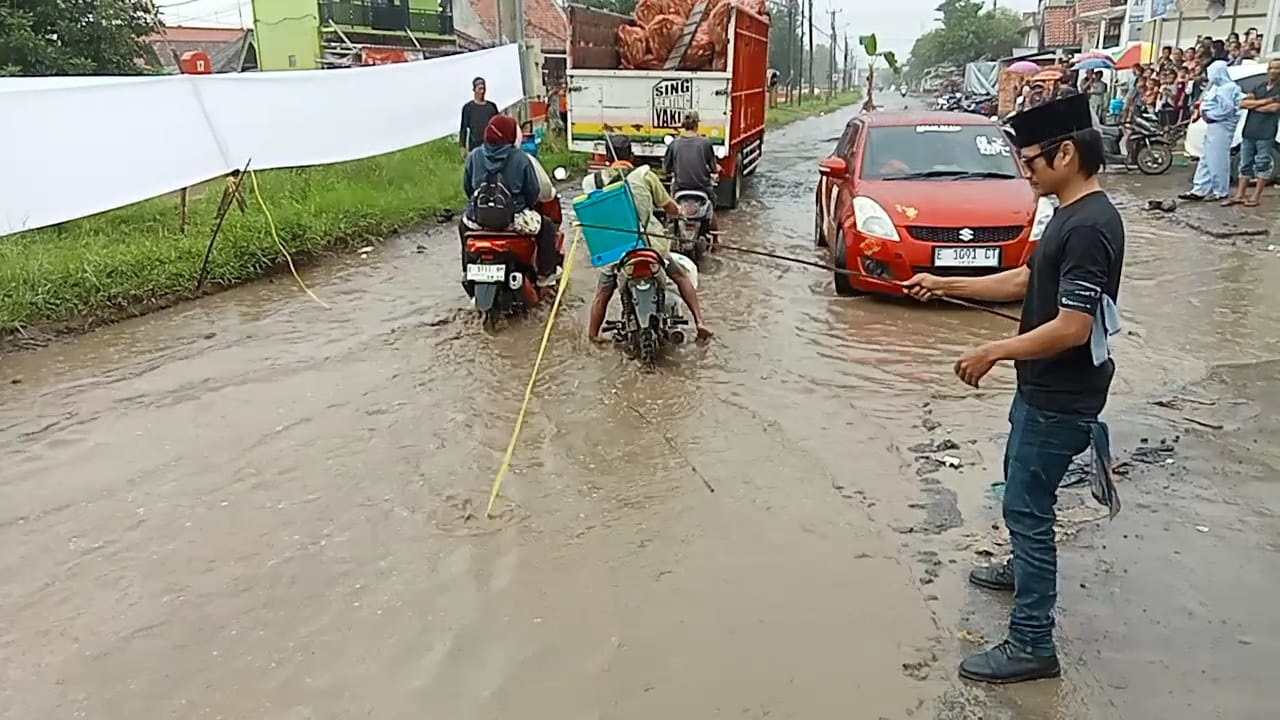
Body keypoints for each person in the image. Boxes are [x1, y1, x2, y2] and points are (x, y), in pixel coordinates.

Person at [903, 92, 1125, 685]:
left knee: (1027, 509)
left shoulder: (1090, 227)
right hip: (1043, 389)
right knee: (1022, 497)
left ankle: (1032, 643)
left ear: (1066, 153)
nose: (1025, 172)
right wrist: (943, 281)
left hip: (1061, 397)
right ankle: (1020, 569)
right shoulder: (1070, 214)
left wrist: (992, 350)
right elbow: (1025, 281)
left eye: (1030, 161)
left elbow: (1074, 327)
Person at [584, 134, 712, 342]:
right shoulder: (645, 175)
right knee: (680, 277)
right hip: (651, 246)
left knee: (603, 293)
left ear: (607, 157)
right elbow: (668, 206)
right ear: (632, 156)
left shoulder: (593, 182)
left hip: (617, 252)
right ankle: (700, 322)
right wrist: (679, 212)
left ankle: (593, 335)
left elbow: (592, 217)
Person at [459, 115, 562, 287]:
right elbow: (533, 192)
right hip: (513, 221)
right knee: (547, 226)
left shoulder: (474, 156)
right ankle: (545, 275)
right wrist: (525, 207)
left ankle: (467, 269)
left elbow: (468, 188)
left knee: (463, 227)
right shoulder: (521, 158)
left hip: (478, 220)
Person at [1181, 60, 1242, 202]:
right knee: (1206, 158)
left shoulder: (1228, 88)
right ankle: (1199, 189)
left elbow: (1226, 109)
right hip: (1212, 125)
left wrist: (1210, 115)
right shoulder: (1216, 87)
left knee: (1217, 159)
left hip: (1221, 126)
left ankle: (1220, 190)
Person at [1225, 57, 1280, 207]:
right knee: (1245, 164)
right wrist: (1266, 101)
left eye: (1277, 68)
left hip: (1266, 133)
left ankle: (1256, 197)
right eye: (1271, 68)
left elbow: (1274, 108)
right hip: (1249, 131)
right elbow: (1243, 103)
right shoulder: (1259, 86)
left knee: (1262, 164)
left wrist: (1254, 106)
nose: (1273, 71)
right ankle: (1240, 195)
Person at [663, 111, 721, 235]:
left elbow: (666, 168)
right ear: (696, 125)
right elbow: (713, 168)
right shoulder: (705, 143)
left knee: (670, 215)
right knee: (712, 211)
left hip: (679, 189)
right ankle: (715, 241)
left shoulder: (674, 144)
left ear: (683, 125)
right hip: (703, 189)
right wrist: (716, 170)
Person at [459, 77, 500, 157]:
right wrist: (462, 146)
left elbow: (498, 126)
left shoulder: (492, 107)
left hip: (490, 145)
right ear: (474, 89)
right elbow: (463, 128)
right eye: (480, 89)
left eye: (484, 89)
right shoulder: (468, 108)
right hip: (475, 145)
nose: (482, 91)